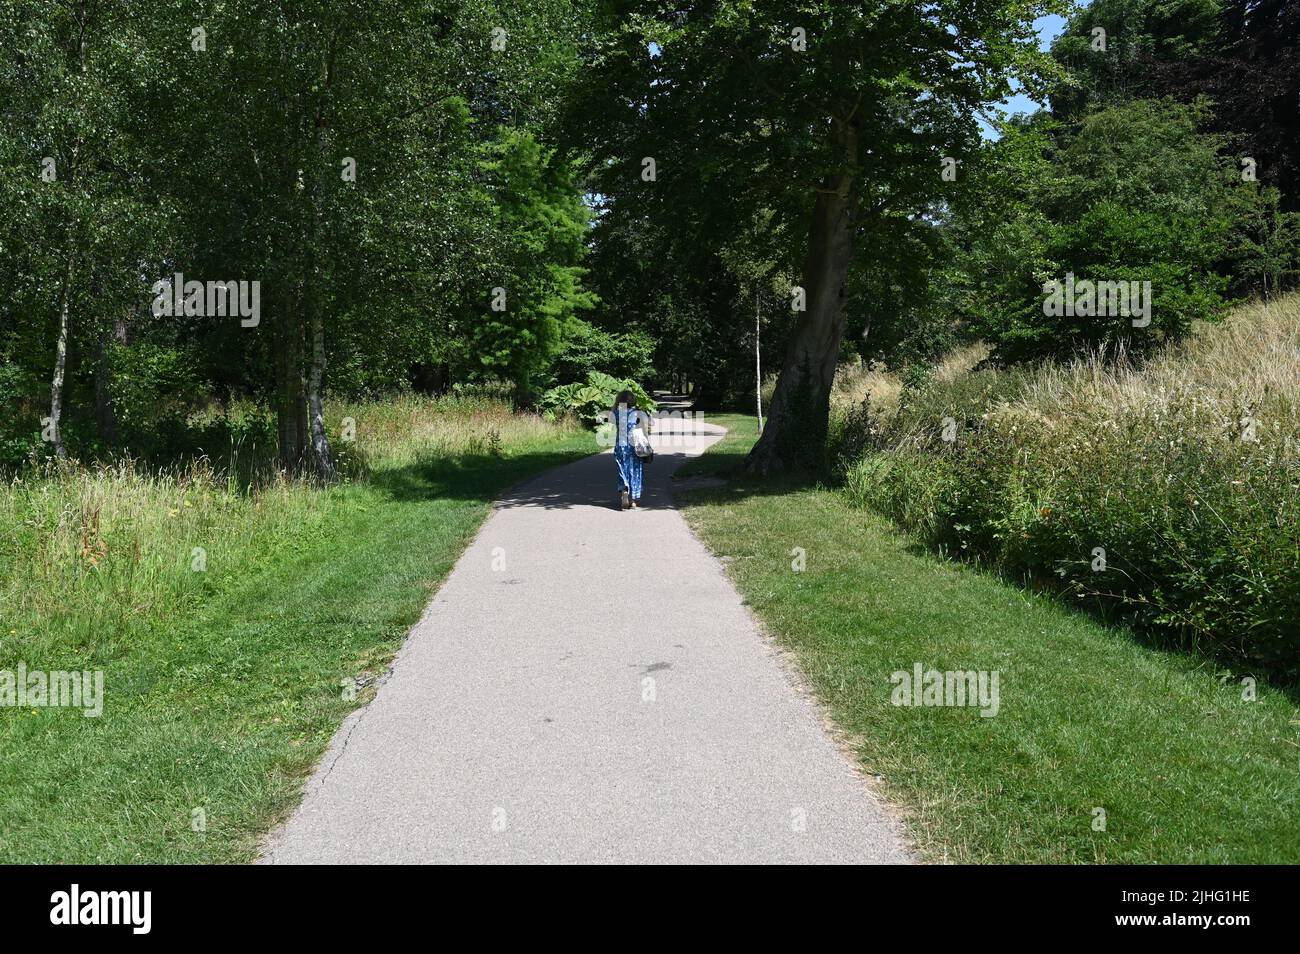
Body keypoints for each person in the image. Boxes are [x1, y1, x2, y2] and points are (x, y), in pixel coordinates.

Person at [611, 390, 650, 510]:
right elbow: (645, 429)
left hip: (621, 446)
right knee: (635, 471)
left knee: (622, 469)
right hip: (635, 446)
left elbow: (611, 418)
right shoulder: (638, 413)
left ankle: (624, 490)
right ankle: (633, 501)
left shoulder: (617, 413)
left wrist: (615, 405)